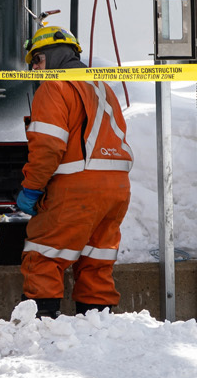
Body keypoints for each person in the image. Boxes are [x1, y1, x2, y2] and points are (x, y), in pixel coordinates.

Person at [16, 24, 132, 319]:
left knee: (43, 255)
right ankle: (98, 330)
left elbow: (47, 147)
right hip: (116, 188)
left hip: (77, 186)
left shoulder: (54, 86)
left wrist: (32, 188)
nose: (35, 70)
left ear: (53, 57)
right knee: (96, 261)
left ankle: (42, 335)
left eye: (37, 60)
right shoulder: (102, 87)